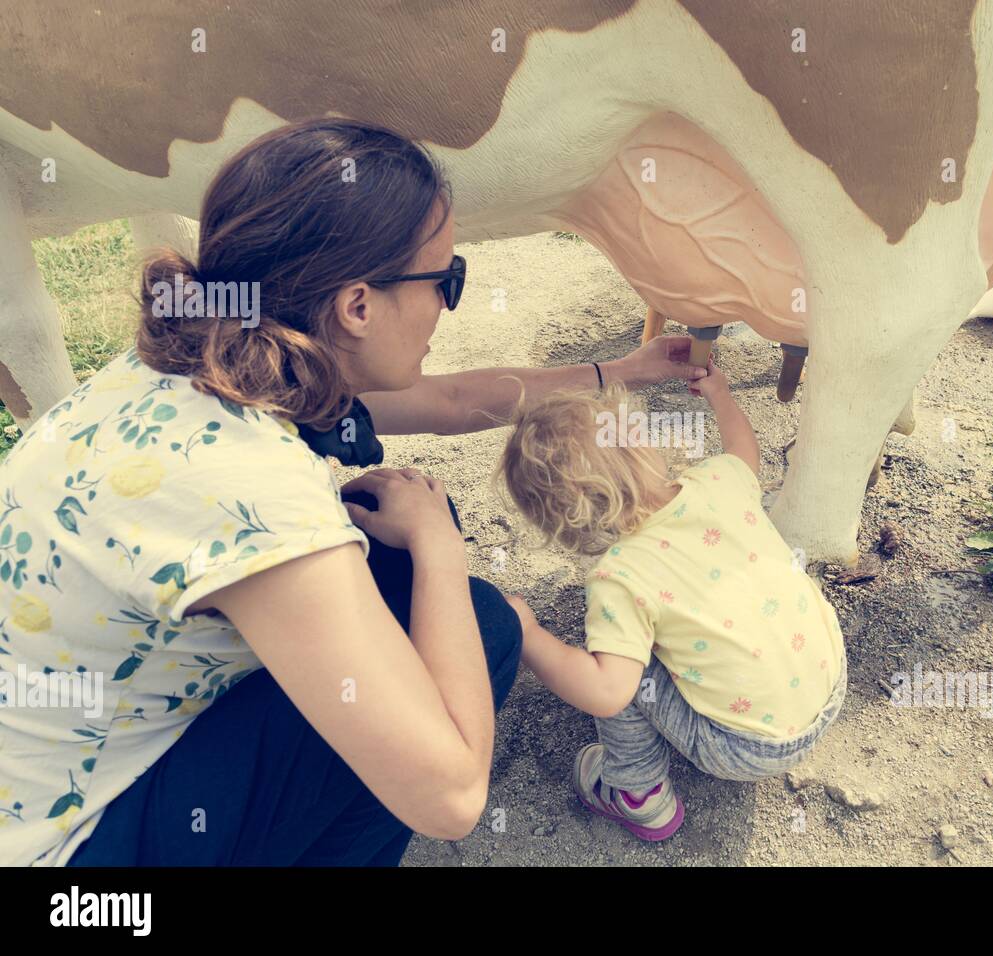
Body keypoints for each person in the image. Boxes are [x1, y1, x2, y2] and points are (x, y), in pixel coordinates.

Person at [0, 116, 704, 866]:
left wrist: (621, 372)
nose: (448, 303)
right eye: (446, 281)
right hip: (73, 863)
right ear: (358, 306)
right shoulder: (253, 487)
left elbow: (450, 401)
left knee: (393, 547)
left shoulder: (213, 354)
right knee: (481, 622)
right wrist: (440, 547)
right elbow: (454, 798)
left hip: (58, 762)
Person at [498, 363, 846, 842]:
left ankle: (637, 793)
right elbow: (744, 450)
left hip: (750, 749)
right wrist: (721, 395)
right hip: (829, 684)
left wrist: (529, 634)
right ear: (642, 443)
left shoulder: (620, 576)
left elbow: (606, 692)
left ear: (560, 522)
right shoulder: (718, 479)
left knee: (617, 661)